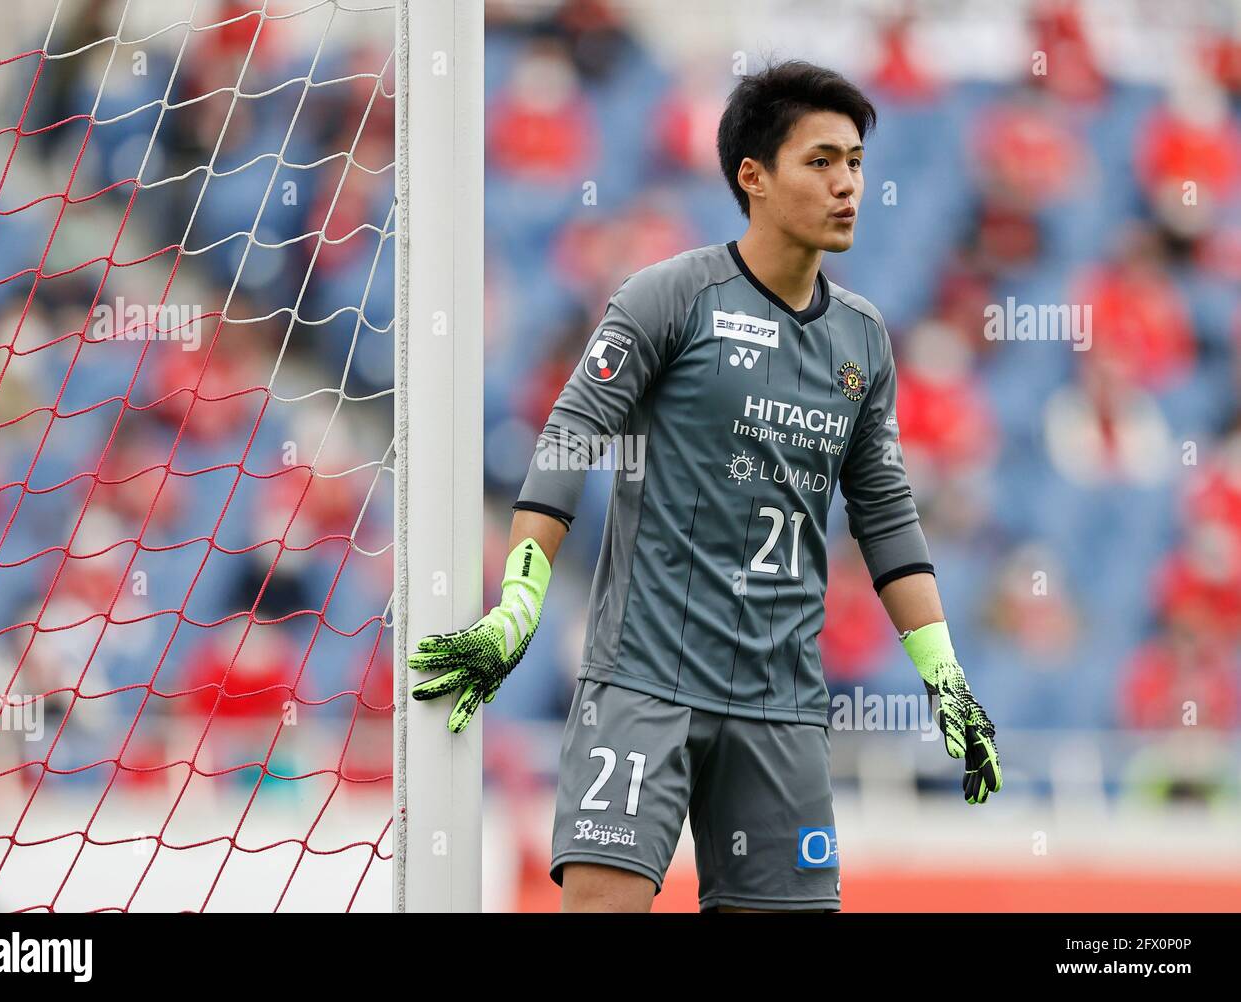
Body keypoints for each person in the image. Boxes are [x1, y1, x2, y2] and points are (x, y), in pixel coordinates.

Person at [408, 60, 1002, 913]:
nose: (848, 185)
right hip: (644, 681)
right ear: (753, 178)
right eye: (822, 161)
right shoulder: (672, 296)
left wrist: (944, 676)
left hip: (783, 703)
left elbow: (886, 515)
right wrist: (517, 608)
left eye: (857, 163)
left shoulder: (863, 341)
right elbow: (571, 435)